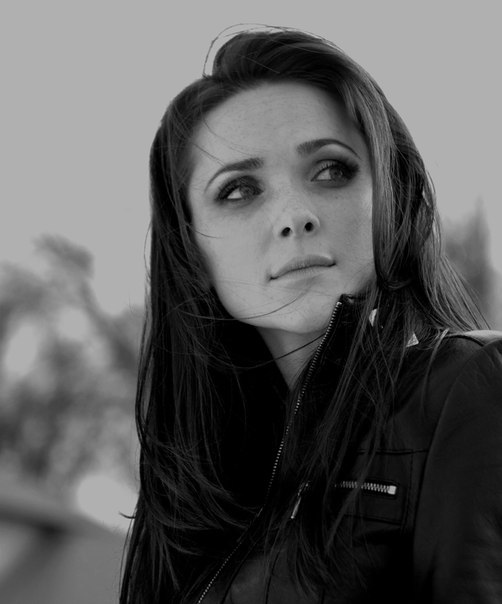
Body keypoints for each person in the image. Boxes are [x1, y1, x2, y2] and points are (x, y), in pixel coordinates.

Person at [120, 26, 502, 603]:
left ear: (390, 198)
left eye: (331, 170)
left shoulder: (469, 390)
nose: (294, 215)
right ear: (191, 251)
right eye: (239, 190)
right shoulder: (199, 495)